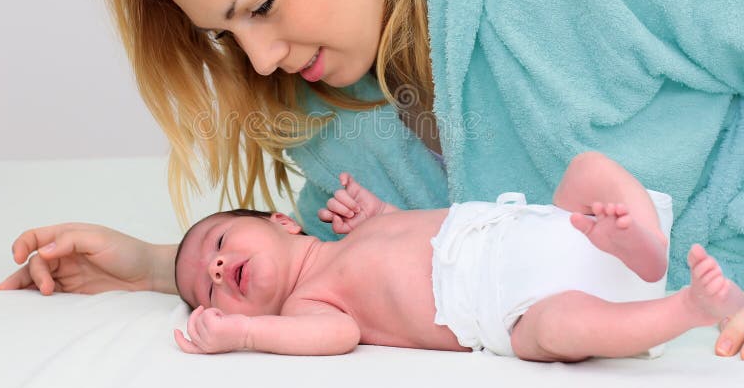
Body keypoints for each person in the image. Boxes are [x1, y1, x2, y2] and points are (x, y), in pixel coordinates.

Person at [0, 0, 744, 355]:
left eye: (260, 6)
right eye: (226, 35)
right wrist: (160, 268)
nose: (258, 60)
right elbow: (326, 267)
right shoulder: (324, 117)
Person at [168, 151, 742, 358]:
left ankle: (645, 250)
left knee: (586, 169)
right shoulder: (309, 306)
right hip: (511, 306)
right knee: (557, 330)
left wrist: (378, 215)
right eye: (209, 290)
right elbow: (334, 338)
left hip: (554, 229)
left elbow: (419, 234)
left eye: (218, 244)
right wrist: (242, 337)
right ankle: (685, 308)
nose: (216, 269)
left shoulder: (347, 242)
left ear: (281, 223)